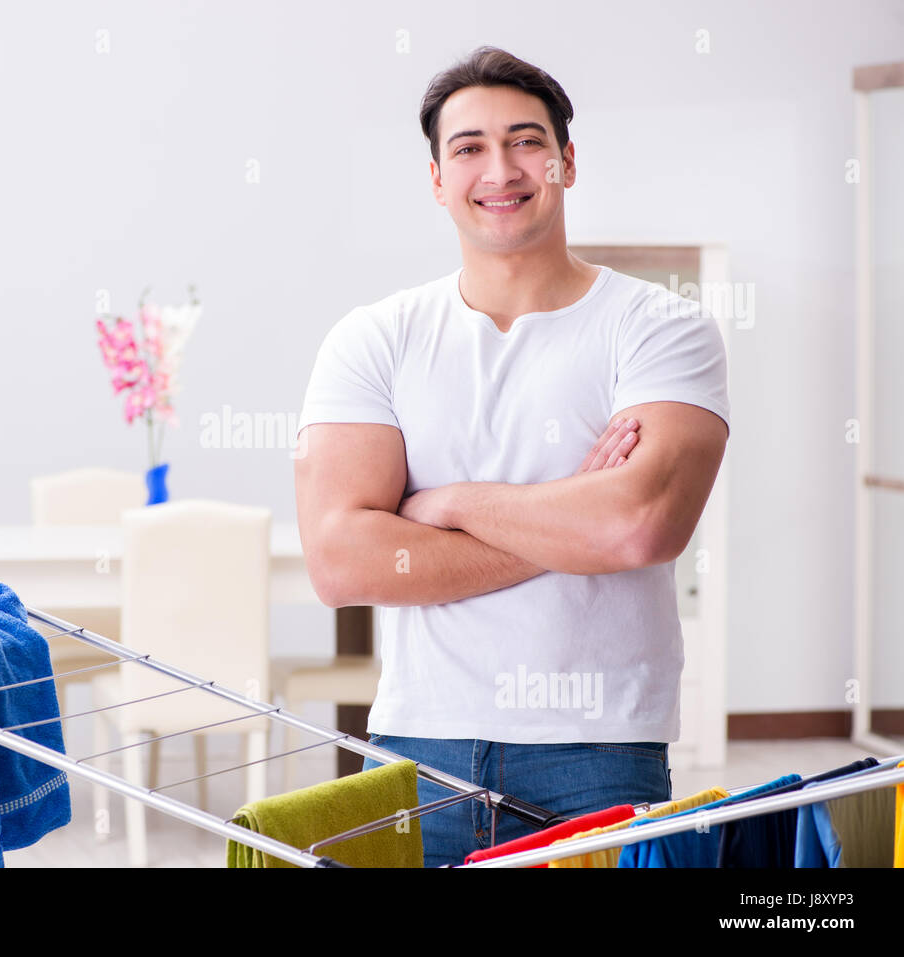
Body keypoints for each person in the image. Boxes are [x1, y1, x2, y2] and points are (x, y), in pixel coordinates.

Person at [292, 46, 730, 867]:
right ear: (436, 178)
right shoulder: (373, 340)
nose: (501, 168)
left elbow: (637, 527)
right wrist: (569, 509)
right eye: (469, 148)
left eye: (527, 142)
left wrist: (447, 503)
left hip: (600, 747)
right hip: (419, 744)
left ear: (566, 162)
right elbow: (342, 562)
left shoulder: (661, 330)